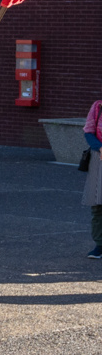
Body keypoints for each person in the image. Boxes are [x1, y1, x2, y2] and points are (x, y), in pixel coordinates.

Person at [85, 99, 102, 259]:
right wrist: (99, 147)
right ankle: (99, 245)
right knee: (97, 206)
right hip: (98, 160)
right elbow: (88, 132)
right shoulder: (98, 107)